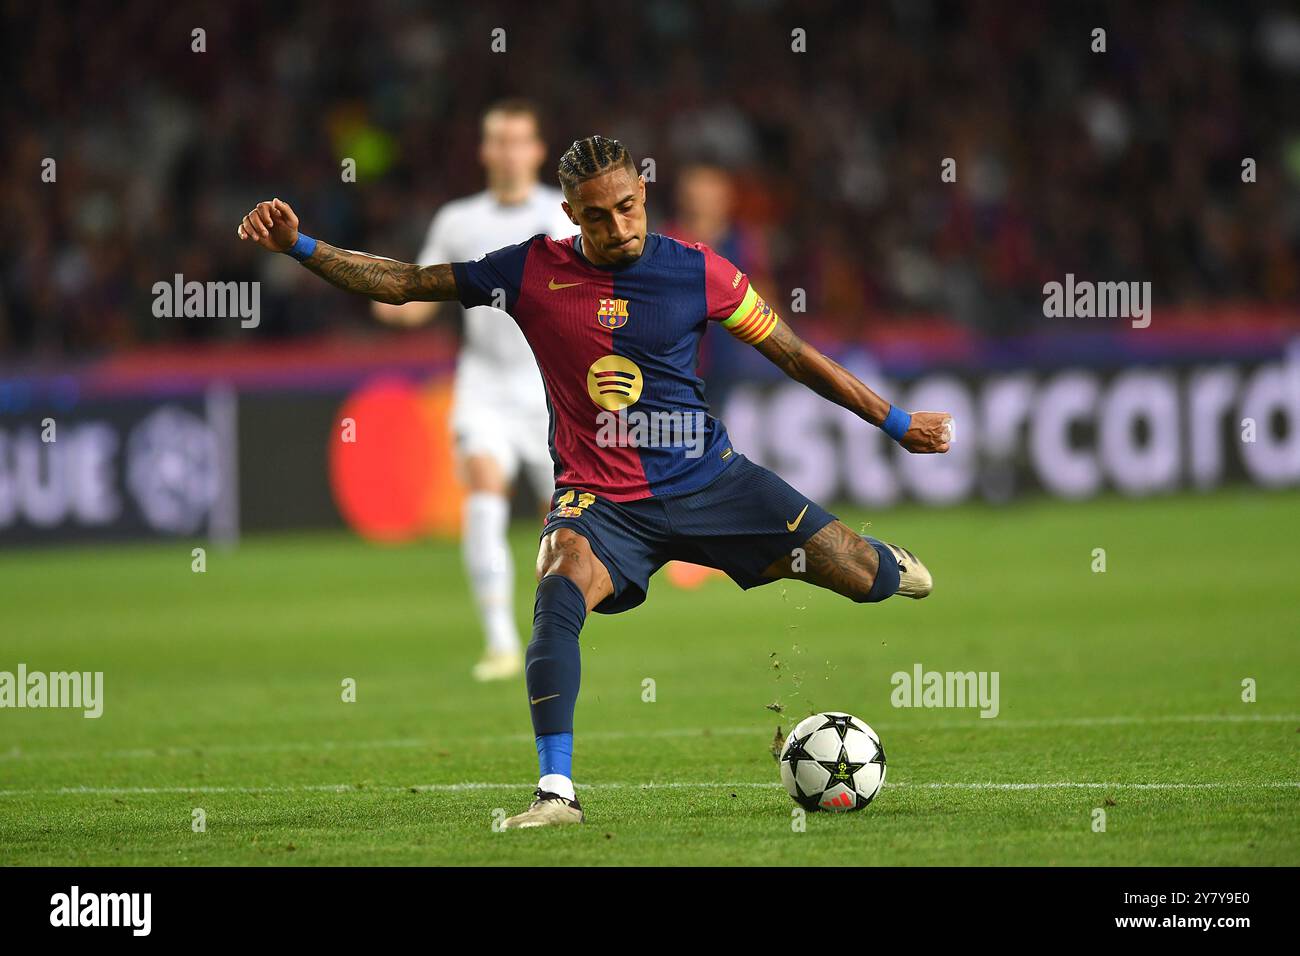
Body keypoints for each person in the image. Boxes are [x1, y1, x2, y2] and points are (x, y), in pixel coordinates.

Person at [236, 134, 953, 829]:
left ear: (643, 194)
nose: (618, 226)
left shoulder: (699, 270)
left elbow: (795, 356)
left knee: (864, 577)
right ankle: (557, 792)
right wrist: (301, 246)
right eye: (598, 214)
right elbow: (403, 285)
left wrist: (895, 422)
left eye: (628, 206)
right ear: (570, 214)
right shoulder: (527, 272)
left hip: (713, 482)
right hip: (602, 503)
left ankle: (886, 562)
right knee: (557, 583)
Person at [372, 100, 573, 682]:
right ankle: (500, 641)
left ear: (537, 151)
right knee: (483, 492)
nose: (509, 151)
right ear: (485, 151)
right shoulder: (458, 220)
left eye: (519, 140)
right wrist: (389, 306)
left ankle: (546, 634)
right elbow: (419, 291)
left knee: (560, 521)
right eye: (498, 141)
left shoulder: (559, 217)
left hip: (548, 390)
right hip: (483, 383)